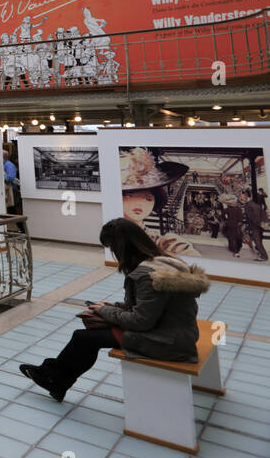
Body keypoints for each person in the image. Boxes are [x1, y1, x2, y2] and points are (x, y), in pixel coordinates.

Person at [19, 218, 208, 402]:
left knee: (83, 338)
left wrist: (105, 311)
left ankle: (54, 379)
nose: (113, 254)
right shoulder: (163, 261)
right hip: (175, 331)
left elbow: (140, 321)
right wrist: (111, 308)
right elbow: (148, 307)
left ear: (123, 247)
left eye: (112, 248)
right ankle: (55, 379)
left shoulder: (147, 275)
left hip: (166, 340)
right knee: (85, 338)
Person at [118, 147, 194, 255]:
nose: (140, 203)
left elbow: (180, 250)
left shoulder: (164, 241)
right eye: (130, 196)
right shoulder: (113, 233)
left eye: (148, 198)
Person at [240, 189, 266, 261]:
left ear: (245, 196)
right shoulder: (250, 204)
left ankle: (264, 257)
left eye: (241, 196)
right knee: (257, 241)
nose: (240, 198)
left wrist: (253, 225)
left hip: (255, 227)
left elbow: (256, 217)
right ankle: (261, 254)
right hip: (255, 226)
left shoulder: (251, 205)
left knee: (258, 242)